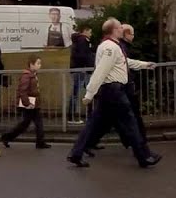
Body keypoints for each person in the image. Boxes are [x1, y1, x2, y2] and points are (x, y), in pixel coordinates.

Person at [67, 18, 161, 169]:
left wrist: (144, 65)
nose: (121, 30)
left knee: (94, 124)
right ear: (113, 30)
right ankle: (144, 156)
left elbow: (125, 61)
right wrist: (89, 94)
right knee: (130, 122)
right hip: (114, 91)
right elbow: (101, 71)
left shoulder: (111, 46)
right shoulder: (110, 47)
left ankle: (76, 153)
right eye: (119, 28)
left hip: (109, 91)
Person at [1, 55, 49, 149]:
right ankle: (7, 137)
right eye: (38, 63)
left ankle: (40, 142)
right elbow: (23, 91)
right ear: (31, 64)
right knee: (27, 124)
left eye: (40, 63)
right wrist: (27, 103)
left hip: (33, 103)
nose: (40, 65)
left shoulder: (32, 75)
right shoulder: (27, 76)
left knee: (31, 123)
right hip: (29, 104)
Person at [68, 25, 94, 123]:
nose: (91, 34)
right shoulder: (83, 40)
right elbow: (84, 55)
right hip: (82, 70)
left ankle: (72, 116)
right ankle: (86, 116)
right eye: (90, 32)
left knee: (78, 93)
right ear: (85, 31)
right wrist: (88, 65)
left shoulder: (78, 41)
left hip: (79, 69)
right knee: (88, 92)